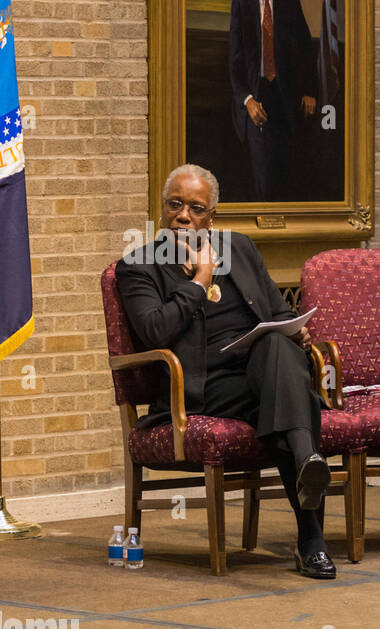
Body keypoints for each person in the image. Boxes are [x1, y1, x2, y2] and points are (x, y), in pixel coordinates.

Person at [115, 164, 333, 579]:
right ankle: (311, 535)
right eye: (175, 205)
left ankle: (309, 490)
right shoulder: (139, 266)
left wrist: (298, 334)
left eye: (195, 208)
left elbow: (278, 313)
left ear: (211, 216)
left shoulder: (242, 249)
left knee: (275, 345)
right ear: (162, 210)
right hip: (198, 386)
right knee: (295, 400)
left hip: (255, 372)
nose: (183, 215)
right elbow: (155, 329)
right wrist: (199, 280)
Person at [228, 0, 317, 201]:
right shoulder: (242, 5)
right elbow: (234, 61)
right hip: (255, 97)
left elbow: (305, 46)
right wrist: (247, 100)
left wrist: (310, 91)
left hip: (286, 99)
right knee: (263, 180)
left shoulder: (289, 3)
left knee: (287, 175)